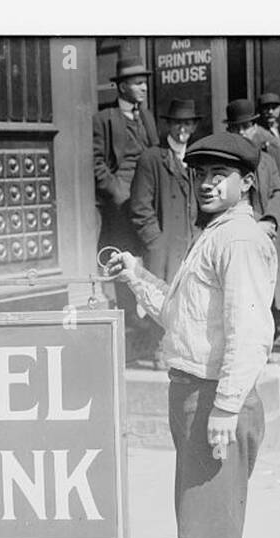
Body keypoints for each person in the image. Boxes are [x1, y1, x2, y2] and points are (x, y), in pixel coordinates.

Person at [111, 133, 278, 538]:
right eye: (201, 172)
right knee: (216, 522)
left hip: (212, 397)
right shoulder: (216, 236)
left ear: (246, 182)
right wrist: (137, 276)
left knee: (204, 526)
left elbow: (249, 332)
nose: (207, 182)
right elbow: (183, 319)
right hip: (196, 391)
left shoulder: (240, 241)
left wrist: (225, 409)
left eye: (219, 175)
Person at [93, 58, 159, 361]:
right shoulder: (104, 118)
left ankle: (150, 327)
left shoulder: (146, 117)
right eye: (137, 83)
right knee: (122, 264)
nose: (144, 87)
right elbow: (96, 164)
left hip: (147, 202)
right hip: (120, 208)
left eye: (144, 82)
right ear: (121, 87)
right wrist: (119, 193)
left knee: (152, 261)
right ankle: (129, 328)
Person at [224, 98, 280, 330]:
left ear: (255, 128)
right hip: (238, 234)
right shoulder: (222, 161)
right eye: (236, 128)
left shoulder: (266, 160)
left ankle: (274, 332)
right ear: (229, 130)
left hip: (266, 231)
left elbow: (279, 191)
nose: (242, 133)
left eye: (246, 127)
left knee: (273, 288)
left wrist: (270, 219)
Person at [128, 98, 199, 289]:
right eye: (177, 123)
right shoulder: (151, 158)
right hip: (164, 254)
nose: (182, 128)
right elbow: (140, 208)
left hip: (192, 250)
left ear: (194, 126)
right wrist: (156, 243)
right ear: (168, 125)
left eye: (187, 123)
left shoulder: (198, 160)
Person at [254, 92, 280, 170]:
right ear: (260, 110)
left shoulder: (277, 128)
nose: (270, 112)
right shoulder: (257, 132)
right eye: (266, 108)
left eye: (274, 108)